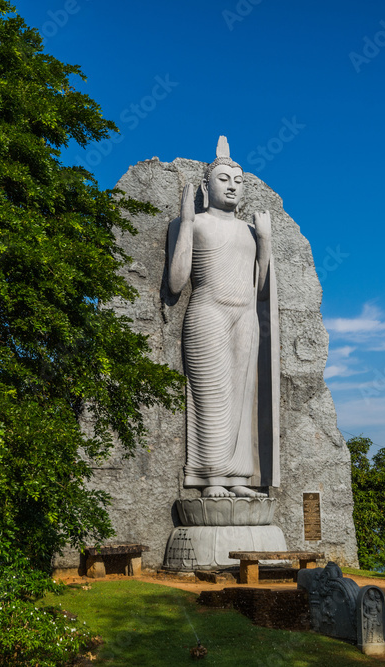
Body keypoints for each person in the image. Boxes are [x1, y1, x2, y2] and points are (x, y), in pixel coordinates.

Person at [166, 137, 279, 498]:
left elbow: (259, 287)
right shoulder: (195, 223)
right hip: (208, 313)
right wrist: (185, 221)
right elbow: (176, 281)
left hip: (245, 316)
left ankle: (238, 478)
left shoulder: (249, 230)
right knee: (212, 397)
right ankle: (211, 477)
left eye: (238, 181)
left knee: (241, 399)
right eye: (224, 179)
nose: (232, 186)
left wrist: (264, 241)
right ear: (205, 186)